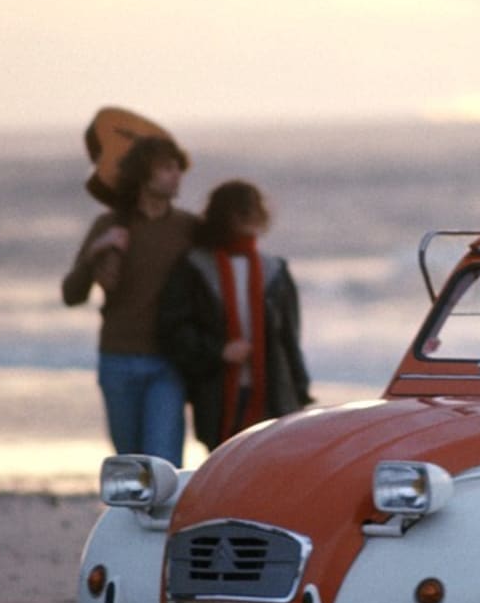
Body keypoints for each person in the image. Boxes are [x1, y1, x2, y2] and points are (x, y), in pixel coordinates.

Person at [62, 135, 196, 465]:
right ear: (143, 175)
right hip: (117, 360)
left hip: (168, 363)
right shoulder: (109, 226)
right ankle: (137, 519)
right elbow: (72, 294)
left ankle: (165, 520)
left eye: (178, 168)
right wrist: (96, 252)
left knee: (163, 463)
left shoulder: (189, 229)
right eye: (166, 168)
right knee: (131, 463)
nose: (175, 175)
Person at [157, 181, 312, 450]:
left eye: (255, 209)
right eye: (242, 211)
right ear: (223, 216)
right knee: (223, 461)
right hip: (216, 389)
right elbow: (173, 328)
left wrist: (300, 391)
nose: (250, 216)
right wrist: (219, 351)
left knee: (269, 462)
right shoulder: (195, 267)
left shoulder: (275, 270)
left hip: (272, 391)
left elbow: (289, 338)